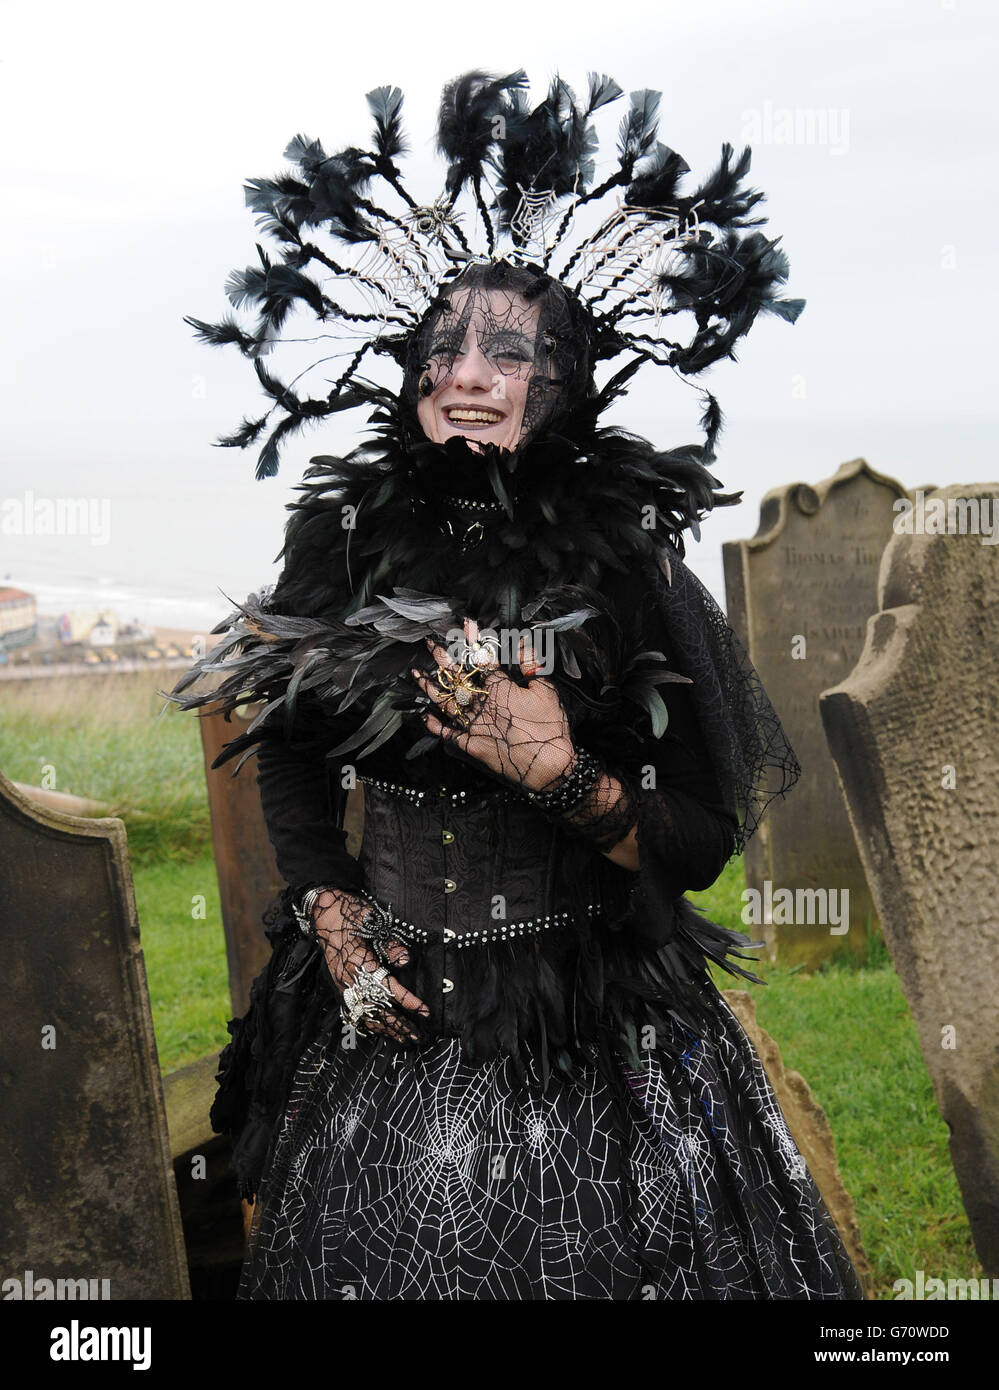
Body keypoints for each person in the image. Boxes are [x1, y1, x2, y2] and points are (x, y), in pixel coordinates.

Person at [171, 71, 864, 1300]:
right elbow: (287, 747)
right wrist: (331, 913)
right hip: (389, 1016)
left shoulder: (631, 570)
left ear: (567, 386)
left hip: (586, 1028)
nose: (468, 375)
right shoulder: (338, 540)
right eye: (442, 349)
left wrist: (567, 778)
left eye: (509, 351)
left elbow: (698, 836)